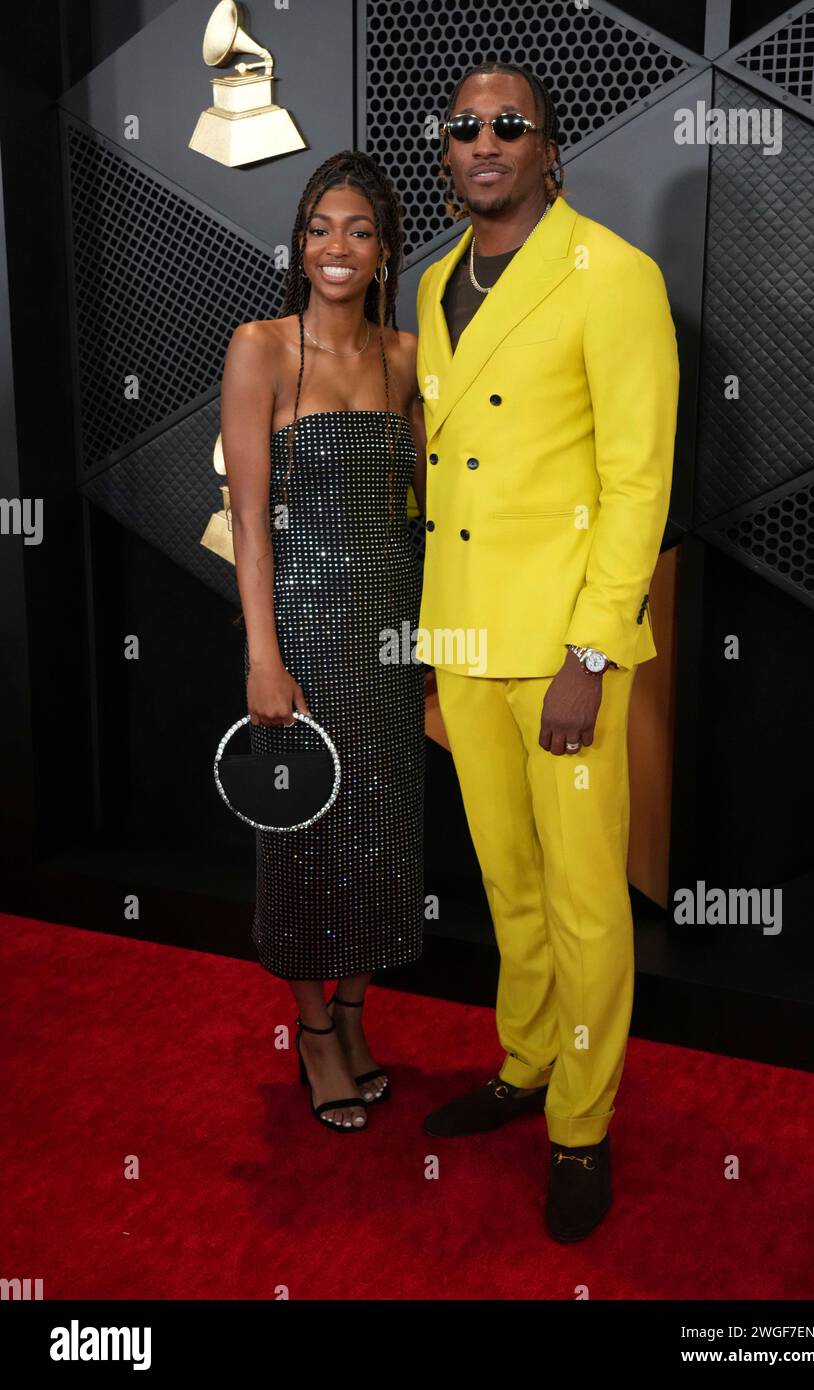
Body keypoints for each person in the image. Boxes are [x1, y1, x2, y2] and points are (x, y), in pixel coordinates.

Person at [415, 62, 680, 1238]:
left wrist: (591, 653)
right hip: (465, 638)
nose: (484, 140)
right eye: (464, 126)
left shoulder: (613, 275)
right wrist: (430, 642)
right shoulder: (428, 284)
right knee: (505, 882)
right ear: (447, 153)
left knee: (581, 898)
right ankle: (522, 1062)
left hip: (563, 648)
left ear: (546, 148)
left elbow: (635, 483)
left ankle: (580, 1120)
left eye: (507, 124)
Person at [220, 151, 427, 1133]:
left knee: (379, 837)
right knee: (303, 839)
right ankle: (309, 1034)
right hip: (301, 630)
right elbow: (251, 521)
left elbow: (434, 508)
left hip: (390, 637)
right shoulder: (260, 346)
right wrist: (263, 653)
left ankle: (351, 1013)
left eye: (356, 230)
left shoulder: (408, 354)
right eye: (318, 228)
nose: (334, 247)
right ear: (297, 244)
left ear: (383, 249)